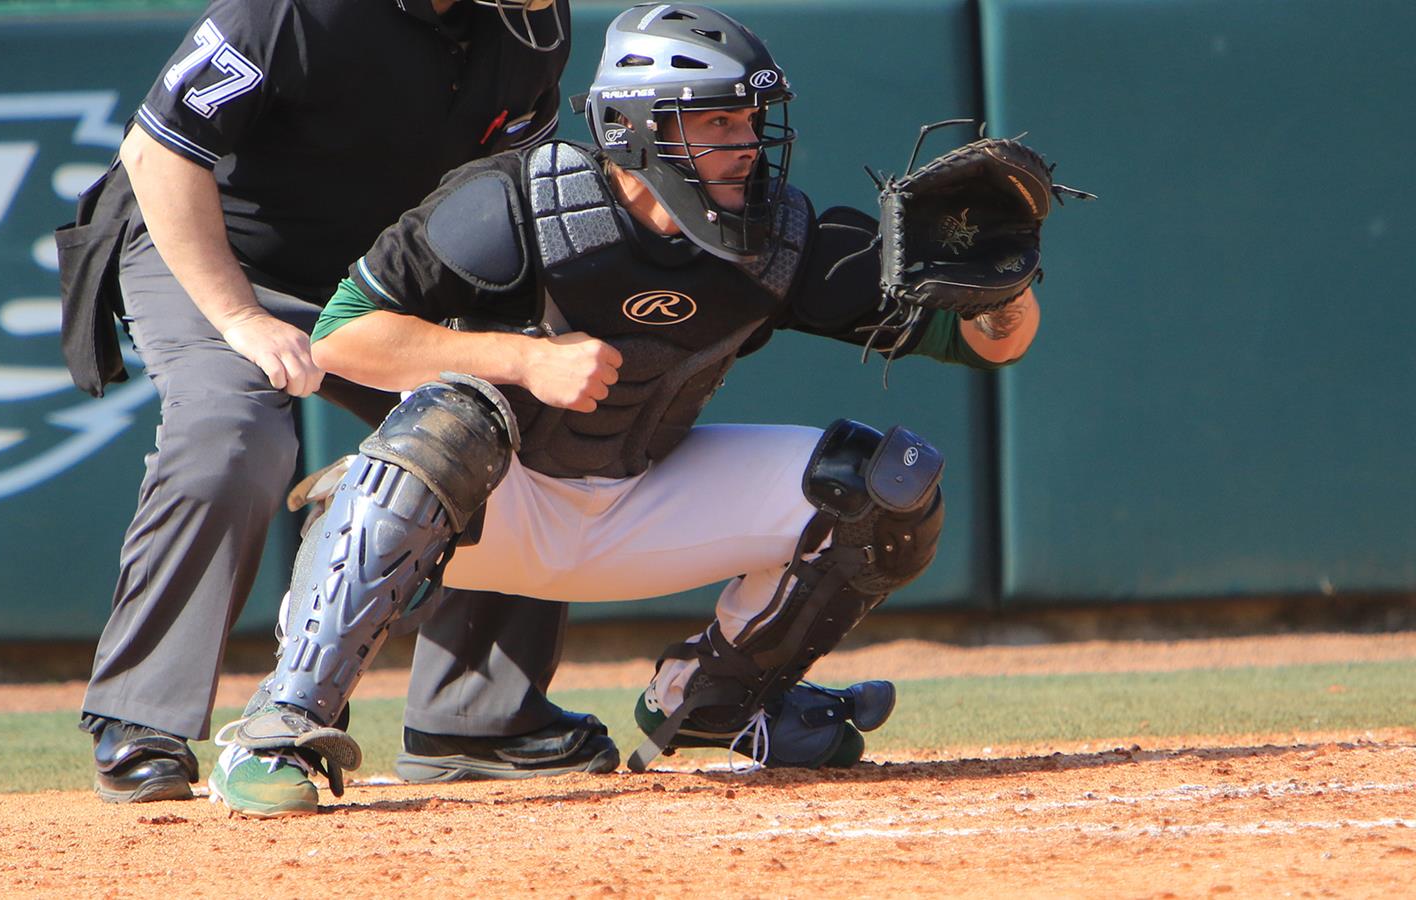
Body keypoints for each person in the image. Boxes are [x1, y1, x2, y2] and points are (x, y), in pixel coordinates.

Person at [206, 1, 1045, 817]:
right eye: (716, 122)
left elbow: (988, 345)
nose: (746, 145)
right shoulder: (510, 204)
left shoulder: (779, 238)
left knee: (887, 483)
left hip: (636, 503)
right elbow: (342, 337)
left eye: (750, 121)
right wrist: (524, 359)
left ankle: (717, 697)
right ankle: (282, 727)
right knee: (450, 418)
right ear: (634, 129)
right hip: (490, 514)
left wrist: (1001, 288)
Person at [79, 0, 627, 806]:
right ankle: (140, 718)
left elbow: (506, 201)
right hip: (218, 252)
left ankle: (476, 716)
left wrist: (520, 352)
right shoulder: (292, 10)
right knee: (232, 434)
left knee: (515, 412)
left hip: (379, 278)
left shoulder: (528, 20)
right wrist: (239, 318)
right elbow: (156, 154)